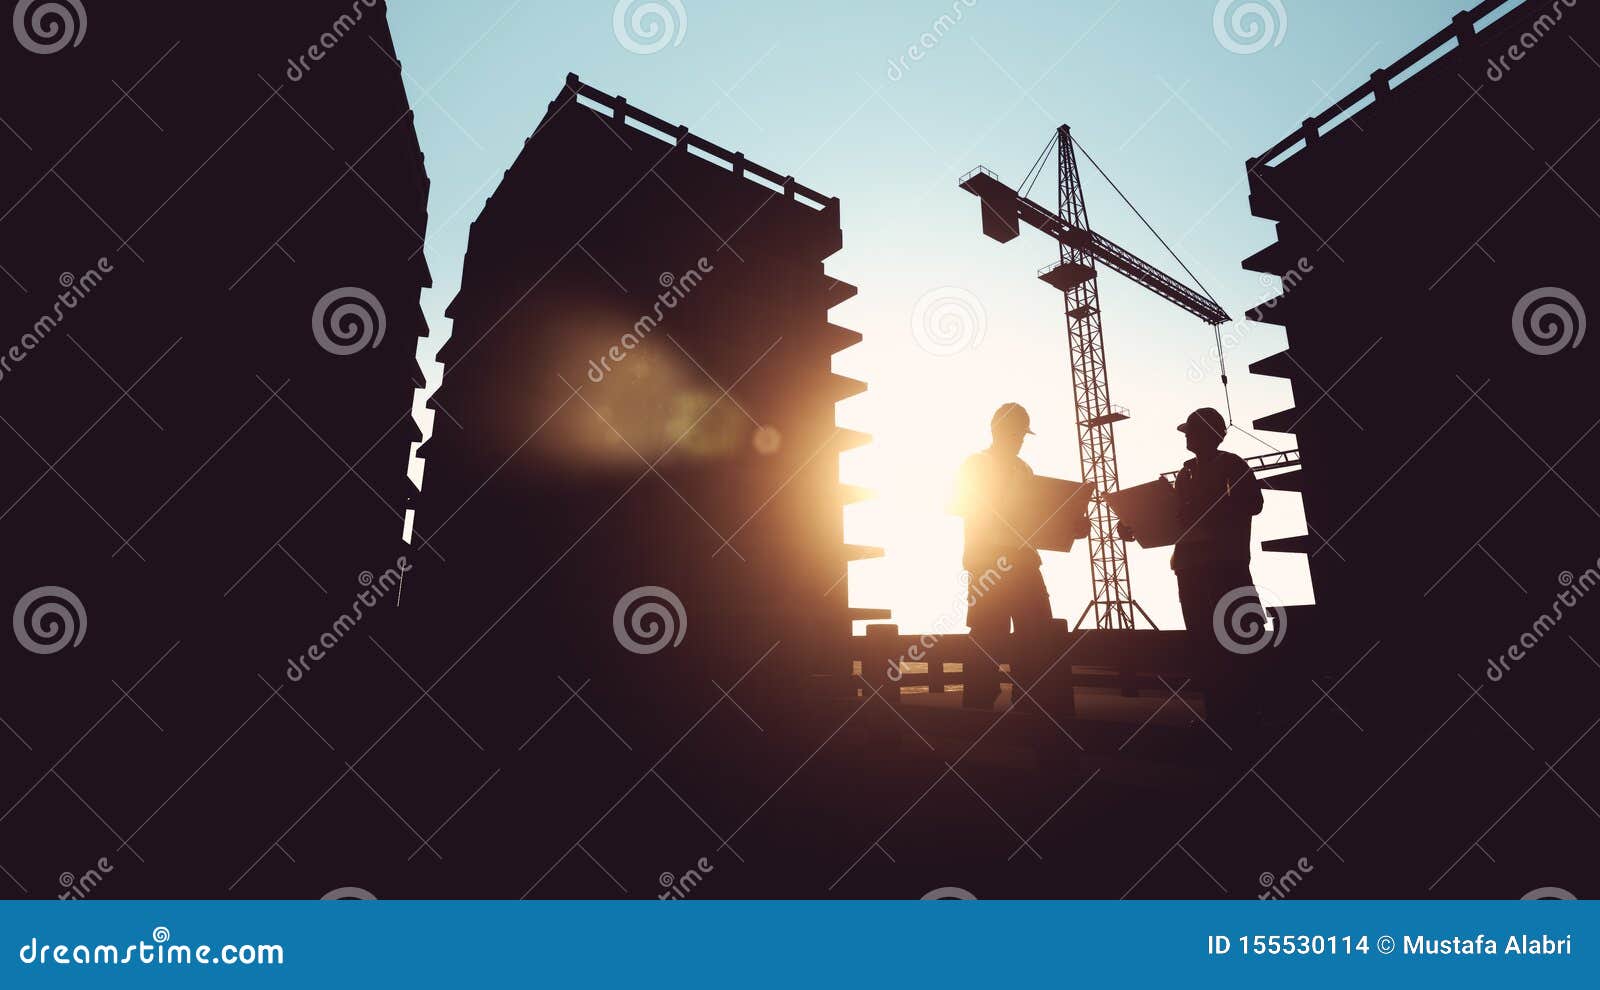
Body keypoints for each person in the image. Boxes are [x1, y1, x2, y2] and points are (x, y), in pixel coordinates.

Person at [951, 403, 1055, 708]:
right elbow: (961, 504)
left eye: (1023, 434)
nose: (1019, 439)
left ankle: (1029, 702)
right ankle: (978, 705)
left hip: (1024, 559)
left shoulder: (1025, 469)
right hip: (989, 560)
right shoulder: (976, 464)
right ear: (996, 431)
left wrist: (1067, 524)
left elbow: (1037, 519)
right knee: (987, 632)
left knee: (1036, 631)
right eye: (1015, 433)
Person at [1164, 407, 1264, 638]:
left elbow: (1253, 504)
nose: (1187, 436)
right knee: (1202, 640)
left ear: (1210, 434)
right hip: (1188, 567)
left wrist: (1207, 509)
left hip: (1225, 565)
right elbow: (1173, 518)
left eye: (1193, 431)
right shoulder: (1184, 473)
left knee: (1241, 638)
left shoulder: (1232, 465)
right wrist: (1137, 526)